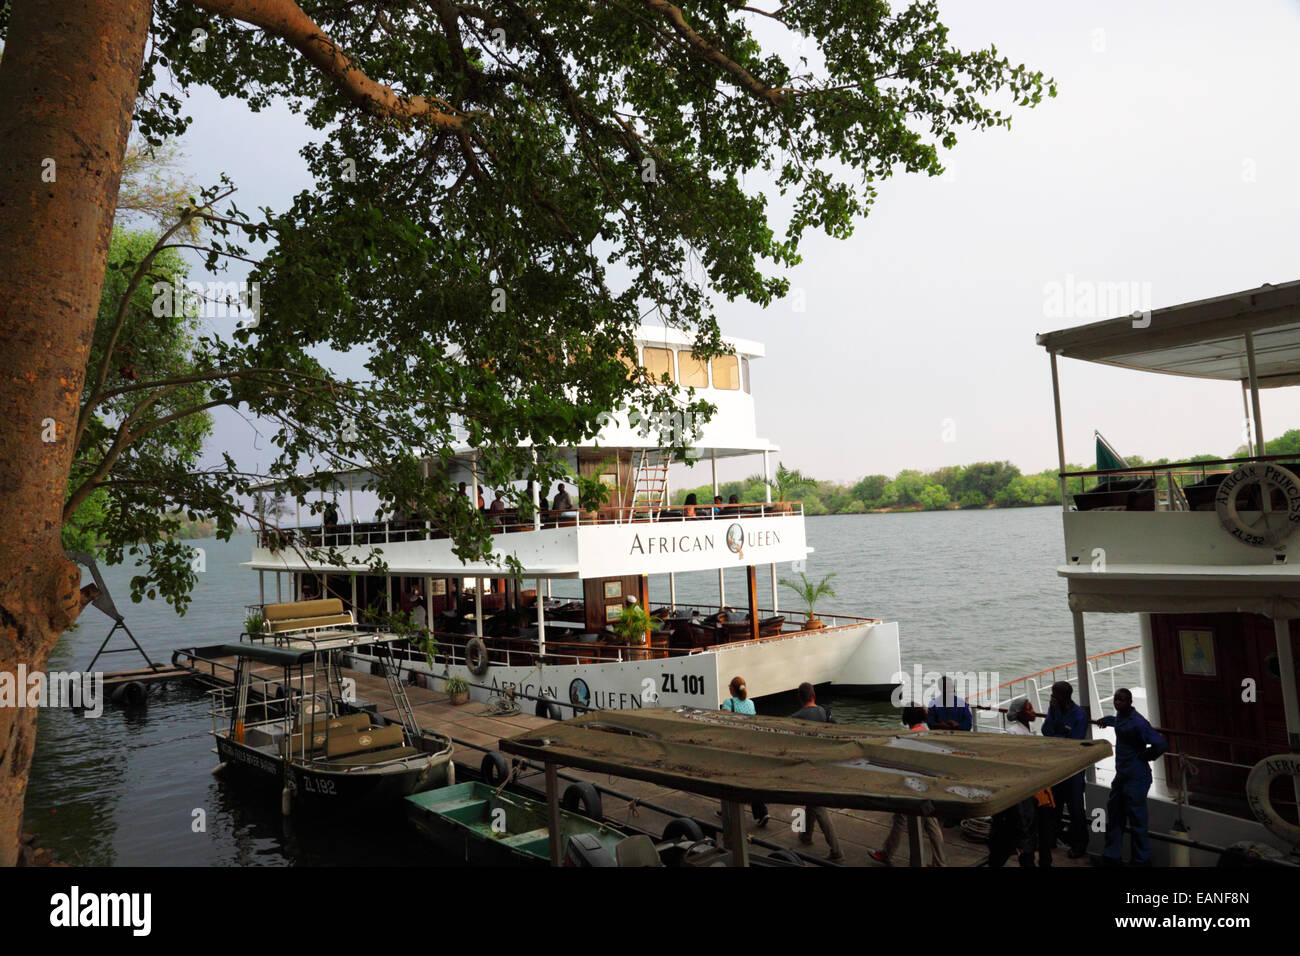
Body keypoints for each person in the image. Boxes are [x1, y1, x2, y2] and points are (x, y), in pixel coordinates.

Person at [1096, 688, 1167, 866]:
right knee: (1114, 814)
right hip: (1122, 775)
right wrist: (1107, 720)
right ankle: (1112, 856)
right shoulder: (1121, 717)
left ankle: (1141, 860)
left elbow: (1160, 744)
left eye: (1121, 700)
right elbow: (1118, 723)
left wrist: (1144, 756)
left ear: (1130, 702)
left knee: (1137, 820)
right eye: (1116, 699)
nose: (1117, 702)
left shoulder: (1138, 723)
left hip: (1136, 777)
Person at [870, 705, 947, 866]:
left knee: (905, 819)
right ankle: (938, 862)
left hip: (912, 785)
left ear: (906, 719)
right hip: (928, 783)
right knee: (929, 823)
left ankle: (887, 853)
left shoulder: (908, 737)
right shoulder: (927, 733)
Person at [988, 698, 1054, 866]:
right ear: (1020, 713)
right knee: (1024, 829)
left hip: (1037, 787)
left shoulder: (1033, 732)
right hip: (1023, 791)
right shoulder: (1012, 733)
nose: (1033, 712)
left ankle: (1040, 859)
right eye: (1029, 709)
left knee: (1041, 829)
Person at [788, 682, 843, 861]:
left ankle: (836, 850)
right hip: (824, 763)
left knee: (818, 805)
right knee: (811, 800)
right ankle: (806, 835)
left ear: (799, 698)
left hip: (807, 766)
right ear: (814, 695)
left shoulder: (795, 718)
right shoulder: (824, 712)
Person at [1041, 680, 1090, 858]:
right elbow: (1046, 731)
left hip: (1073, 770)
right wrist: (1053, 715)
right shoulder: (1054, 709)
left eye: (1055, 694)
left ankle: (1079, 845)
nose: (1052, 697)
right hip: (1056, 766)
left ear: (1064, 696)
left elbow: (1074, 742)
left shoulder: (1079, 715)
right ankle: (1050, 839)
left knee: (1076, 808)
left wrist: (1058, 735)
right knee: (1053, 805)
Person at [720, 676, 769, 827]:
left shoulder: (729, 703)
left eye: (729, 686)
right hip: (749, 744)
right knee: (749, 778)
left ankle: (729, 810)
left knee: (728, 777)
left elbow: (724, 722)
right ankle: (762, 811)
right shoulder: (750, 703)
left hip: (734, 746)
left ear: (732, 688)